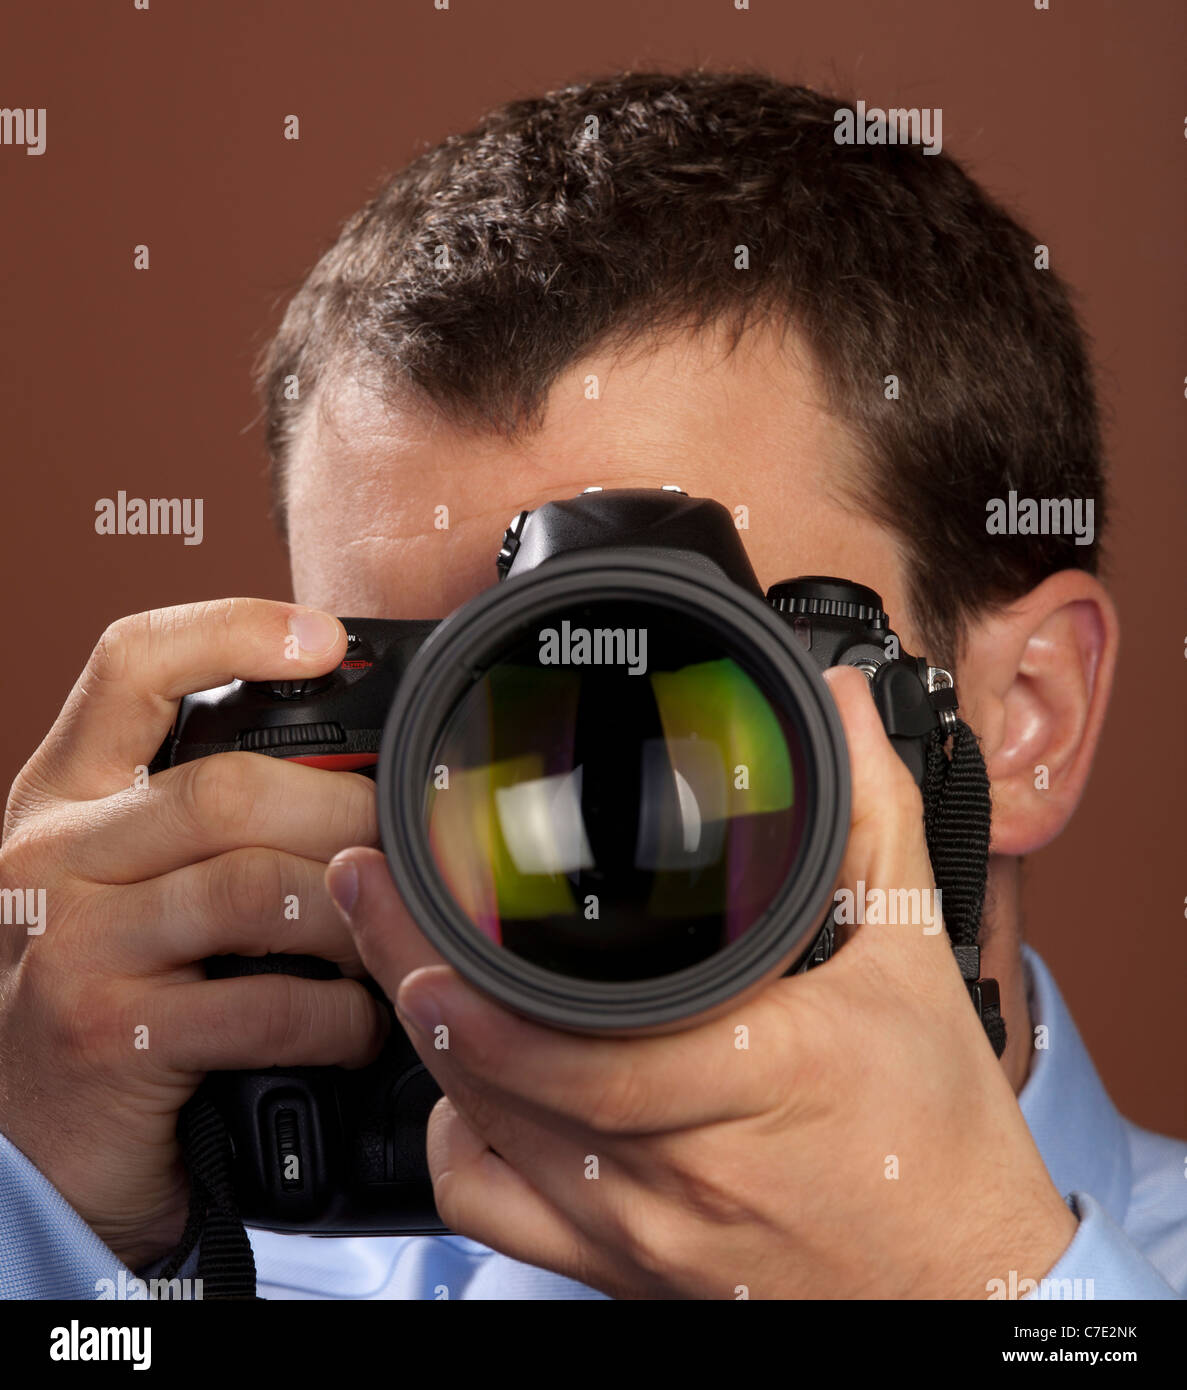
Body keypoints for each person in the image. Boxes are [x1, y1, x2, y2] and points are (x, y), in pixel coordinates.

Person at [1, 70, 1182, 1301]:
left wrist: (958, 1279)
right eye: (428, 697)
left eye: (677, 676)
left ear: (1023, 712)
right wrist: (45, 1219)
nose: (536, 809)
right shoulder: (167, 1272)